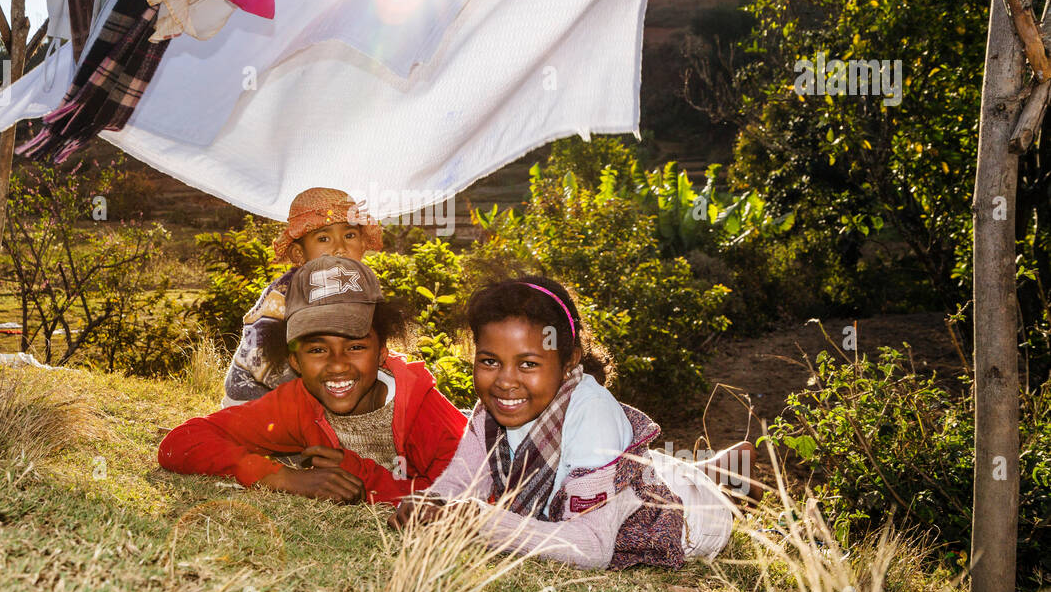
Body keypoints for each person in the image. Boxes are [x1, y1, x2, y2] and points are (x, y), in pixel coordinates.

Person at [392, 275, 757, 570]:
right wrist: (428, 503)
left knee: (698, 490)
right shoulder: (495, 408)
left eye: (528, 364)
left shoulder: (592, 413)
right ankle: (718, 467)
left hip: (689, 519)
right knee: (659, 468)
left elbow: (593, 547)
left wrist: (477, 521)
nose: (505, 380)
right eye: (489, 361)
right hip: (620, 475)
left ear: (569, 362)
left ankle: (727, 480)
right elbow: (462, 482)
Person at [160, 256, 466, 504]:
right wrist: (280, 477)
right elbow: (180, 443)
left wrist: (364, 477)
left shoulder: (422, 409)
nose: (337, 365)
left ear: (382, 352)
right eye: (317, 349)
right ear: (295, 361)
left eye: (356, 346)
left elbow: (465, 500)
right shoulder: (299, 403)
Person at [222, 187, 384, 407]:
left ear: (363, 244)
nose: (340, 248)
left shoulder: (358, 285)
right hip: (256, 398)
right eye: (324, 238)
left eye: (349, 235)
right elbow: (263, 359)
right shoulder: (283, 295)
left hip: (321, 385)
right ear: (300, 254)